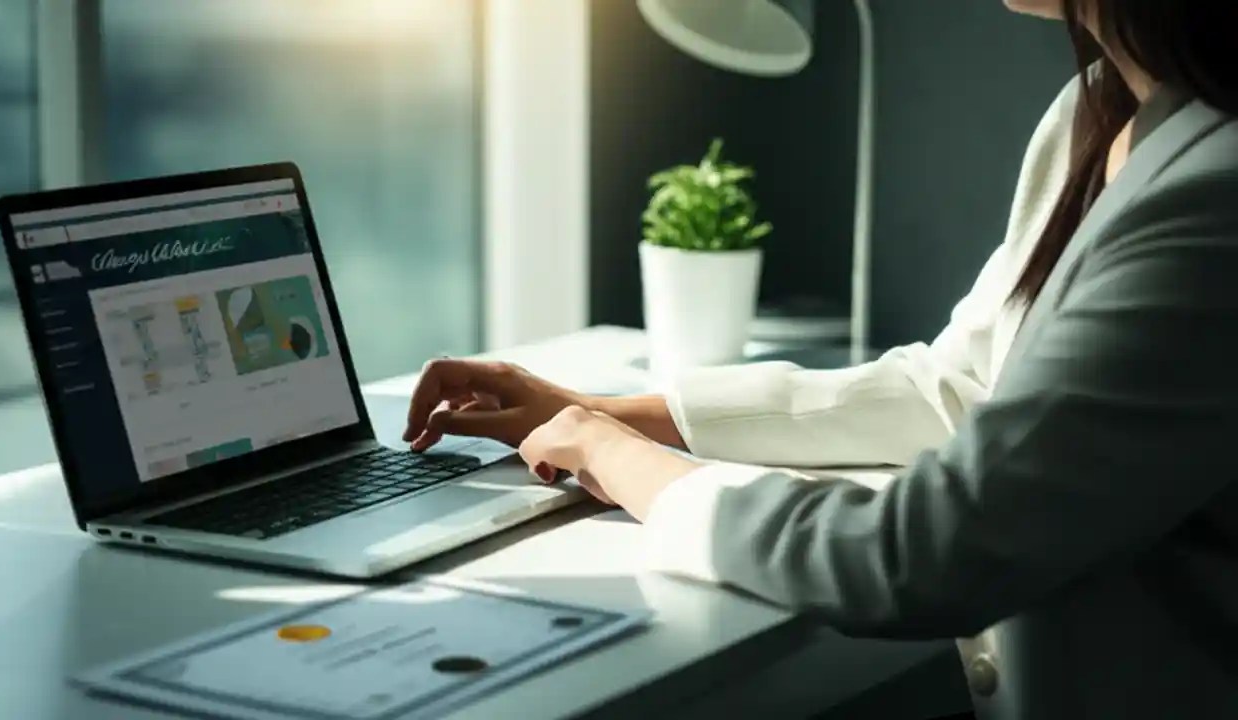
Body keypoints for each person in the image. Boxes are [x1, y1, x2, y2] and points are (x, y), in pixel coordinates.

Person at [405, 1, 1238, 717]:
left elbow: (923, 553)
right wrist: (599, 411)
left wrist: (625, 462)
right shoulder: (1097, 111)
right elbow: (961, 384)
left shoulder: (1214, 196)